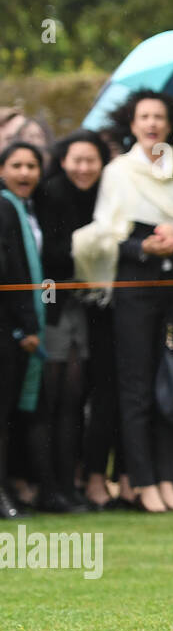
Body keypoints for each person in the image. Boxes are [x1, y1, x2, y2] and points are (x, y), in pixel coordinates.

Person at [82, 91, 173, 512]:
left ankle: (168, 479)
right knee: (135, 386)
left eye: (159, 117)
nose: (152, 123)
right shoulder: (118, 171)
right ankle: (143, 481)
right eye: (144, 117)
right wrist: (142, 248)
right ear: (132, 123)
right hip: (136, 287)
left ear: (170, 124)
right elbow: (105, 235)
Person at [33, 131, 114, 511]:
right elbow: (52, 255)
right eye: (76, 160)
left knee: (75, 400)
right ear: (63, 161)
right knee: (54, 399)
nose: (84, 168)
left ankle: (71, 484)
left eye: (91, 160)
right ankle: (47, 486)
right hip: (53, 310)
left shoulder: (107, 196)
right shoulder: (49, 193)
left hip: (87, 311)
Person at [0, 142, 49, 518]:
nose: (24, 173)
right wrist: (26, 325)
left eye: (31, 165)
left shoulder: (24, 208)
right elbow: (12, 269)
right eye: (16, 165)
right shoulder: (5, 208)